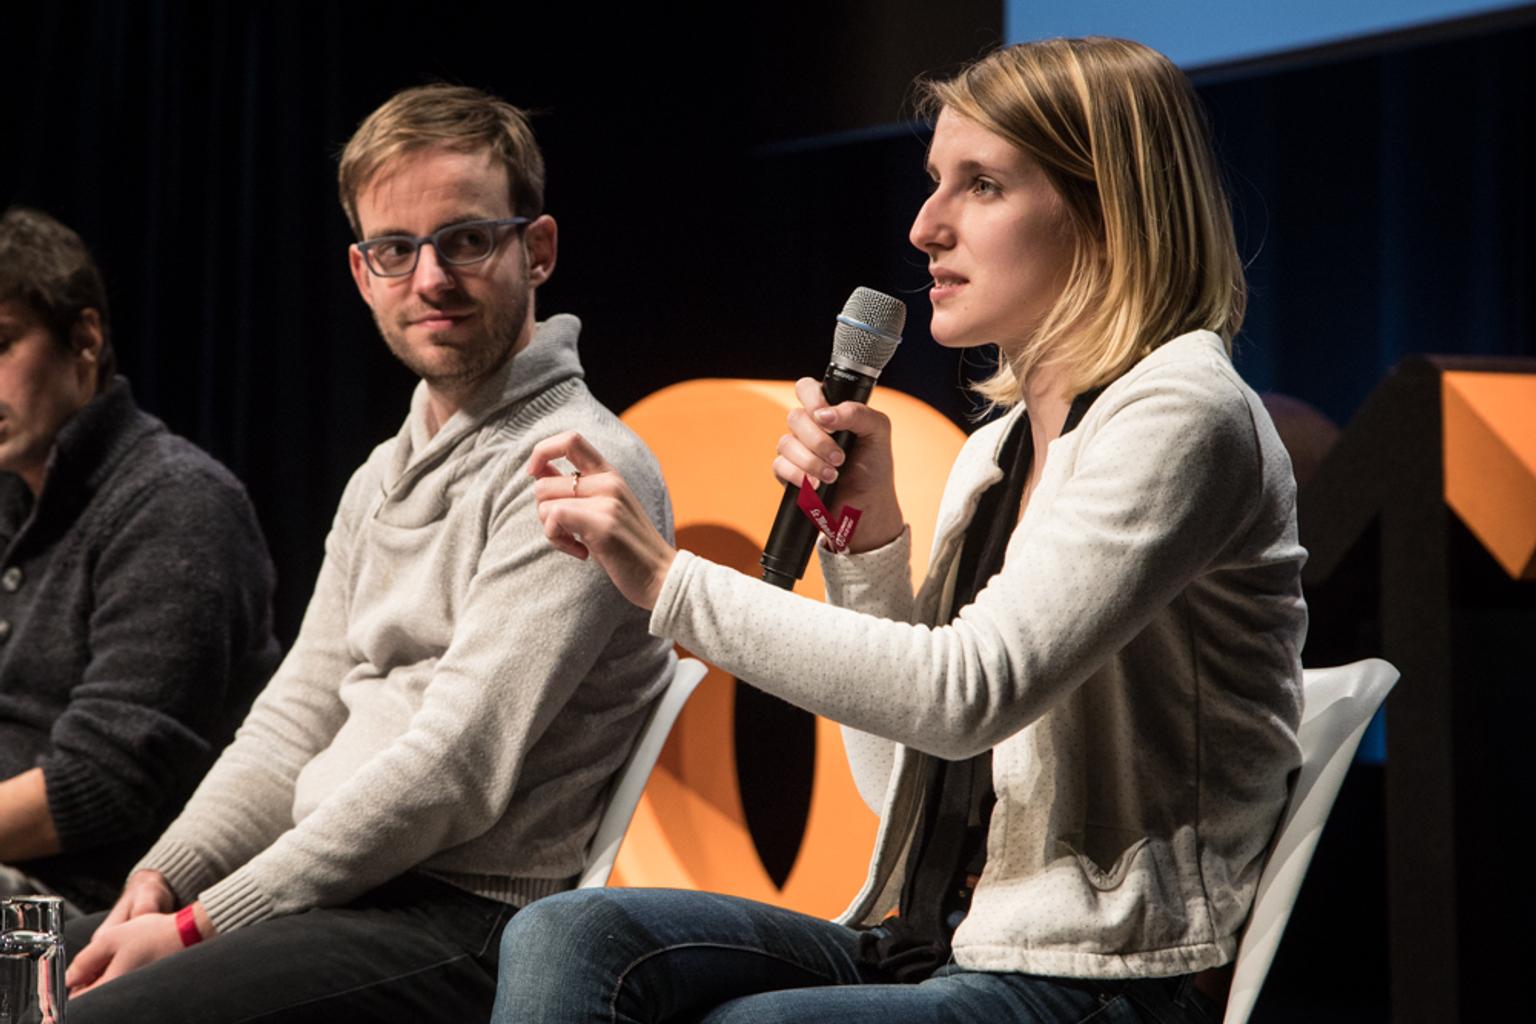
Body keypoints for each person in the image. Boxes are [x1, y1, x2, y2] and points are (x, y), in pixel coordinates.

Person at [504, 37, 1306, 1024]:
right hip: (942, 937)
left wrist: (669, 581)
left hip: (1104, 973)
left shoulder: (1183, 413)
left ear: (1106, 210)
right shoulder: (1000, 447)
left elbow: (965, 692)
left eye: (982, 186)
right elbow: (910, 784)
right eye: (936, 184)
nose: (926, 226)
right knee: (564, 931)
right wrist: (869, 554)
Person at [62, 84, 674, 1023]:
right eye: (397, 249)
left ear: (537, 248)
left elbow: (453, 770)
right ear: (363, 271)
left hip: (465, 916)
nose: (430, 277)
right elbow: (294, 718)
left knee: (112, 1015)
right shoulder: (379, 477)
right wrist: (164, 877)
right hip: (341, 890)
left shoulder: (581, 466)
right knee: (42, 966)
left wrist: (197, 927)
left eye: (467, 238)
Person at [0, 207, 280, 916]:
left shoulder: (177, 503)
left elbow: (104, 783)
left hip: (86, 901)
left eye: (1, 344)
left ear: (84, 338)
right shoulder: (11, 495)